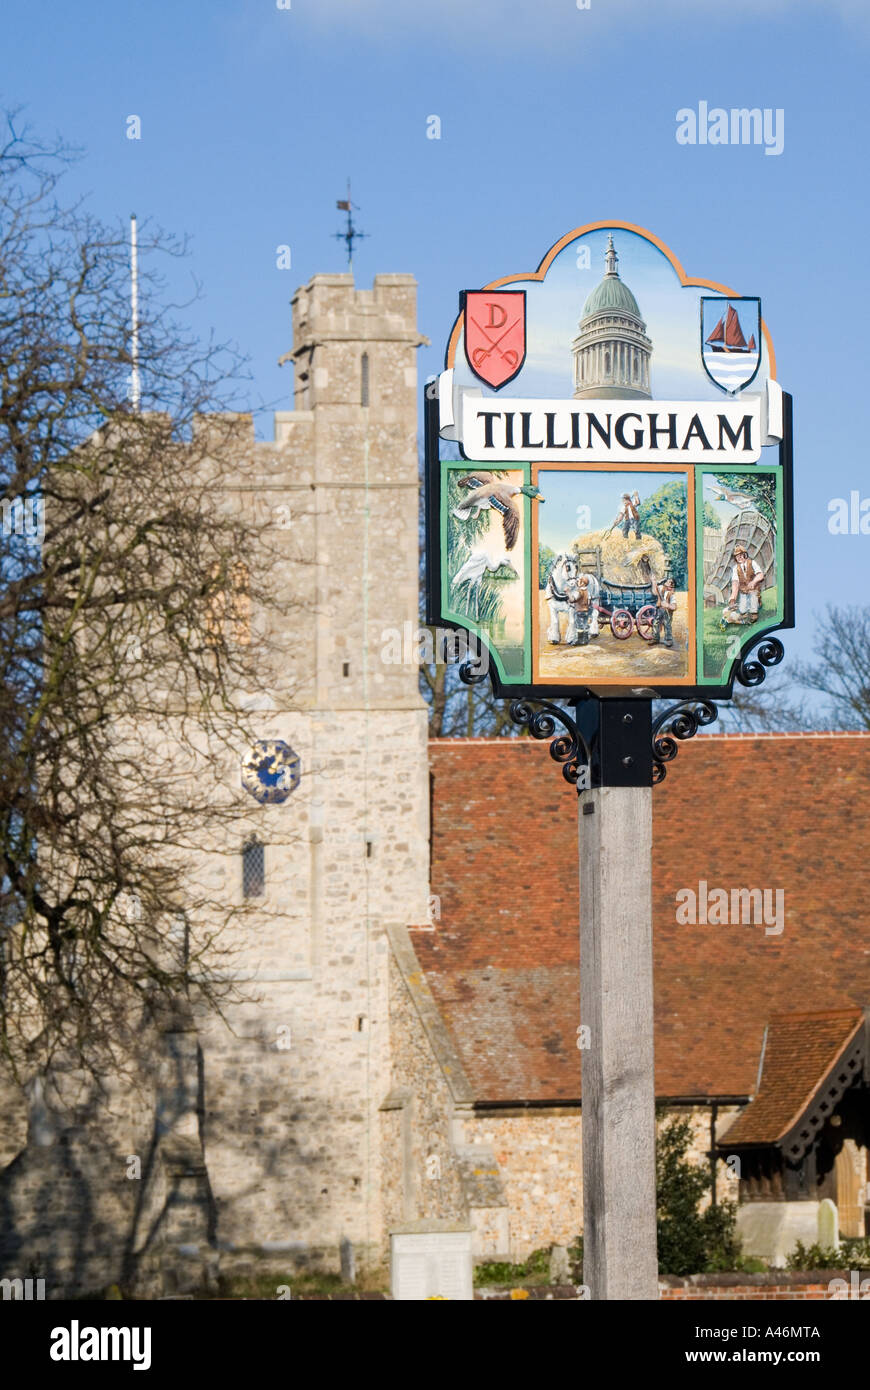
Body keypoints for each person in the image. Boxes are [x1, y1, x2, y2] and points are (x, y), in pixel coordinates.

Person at [729, 545, 764, 622]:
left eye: (741, 555)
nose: (739, 557)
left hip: (753, 590)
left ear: (745, 554)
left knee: (753, 602)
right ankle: (743, 614)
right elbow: (735, 583)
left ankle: (754, 614)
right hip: (743, 591)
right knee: (742, 609)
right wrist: (732, 598)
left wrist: (754, 582)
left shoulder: (752, 563)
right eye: (737, 556)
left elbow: (760, 575)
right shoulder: (735, 568)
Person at [651, 577, 676, 648]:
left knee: (667, 624)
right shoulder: (661, 587)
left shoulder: (671, 594)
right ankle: (655, 638)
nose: (668, 583)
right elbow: (655, 592)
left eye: (670, 582)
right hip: (659, 609)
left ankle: (668, 639)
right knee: (655, 623)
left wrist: (667, 605)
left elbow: (674, 607)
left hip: (667, 611)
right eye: (667, 582)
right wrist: (653, 583)